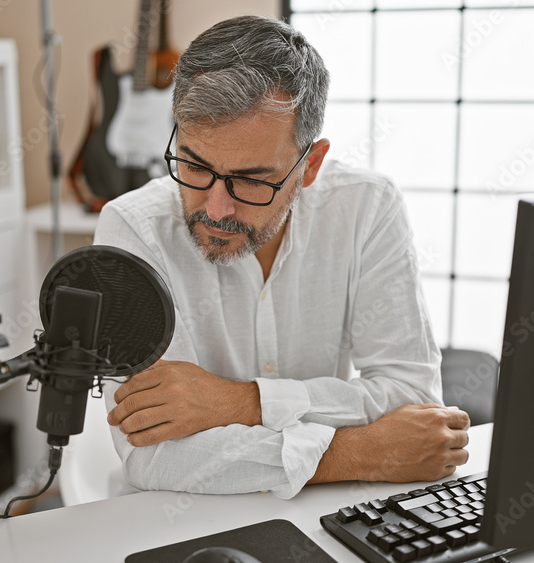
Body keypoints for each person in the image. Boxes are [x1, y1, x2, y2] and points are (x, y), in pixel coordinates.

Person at [94, 15, 469, 499]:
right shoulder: (132, 228)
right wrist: (359, 453)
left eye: (251, 179)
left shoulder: (366, 206)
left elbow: (412, 396)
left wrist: (242, 402)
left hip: (324, 516)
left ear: (309, 165)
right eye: (194, 164)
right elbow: (155, 455)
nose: (216, 209)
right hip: (179, 520)